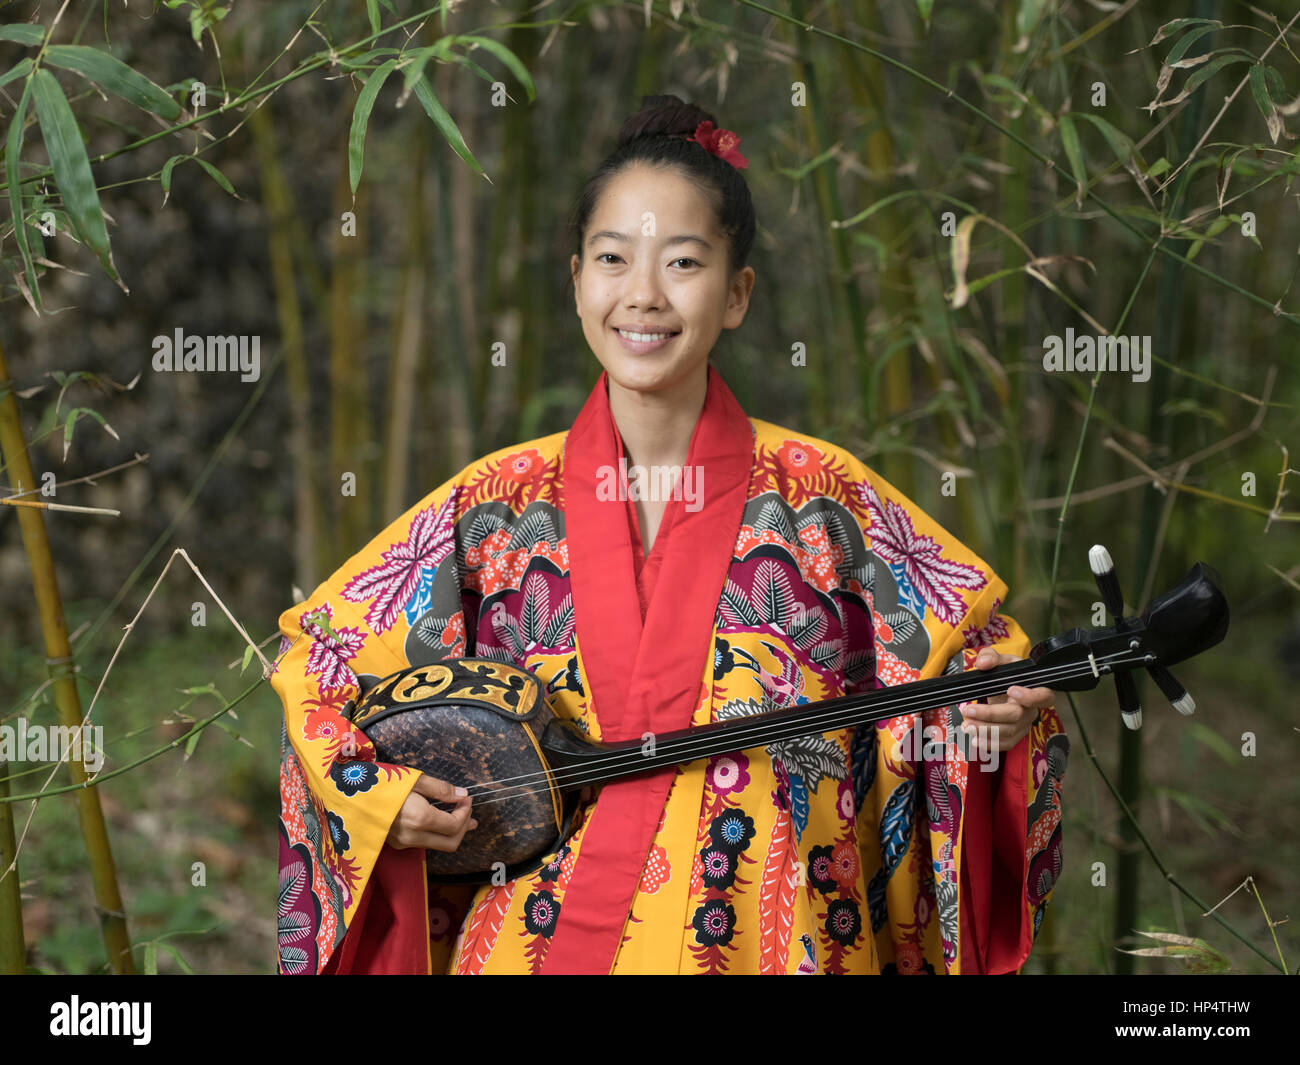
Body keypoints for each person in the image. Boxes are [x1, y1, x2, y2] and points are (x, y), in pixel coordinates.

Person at [271, 94, 1069, 975]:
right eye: (614, 258)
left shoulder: (828, 503)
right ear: (576, 279)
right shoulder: (492, 504)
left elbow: (975, 664)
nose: (643, 294)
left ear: (736, 293)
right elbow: (322, 662)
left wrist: (991, 714)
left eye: (682, 262)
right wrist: (377, 796)